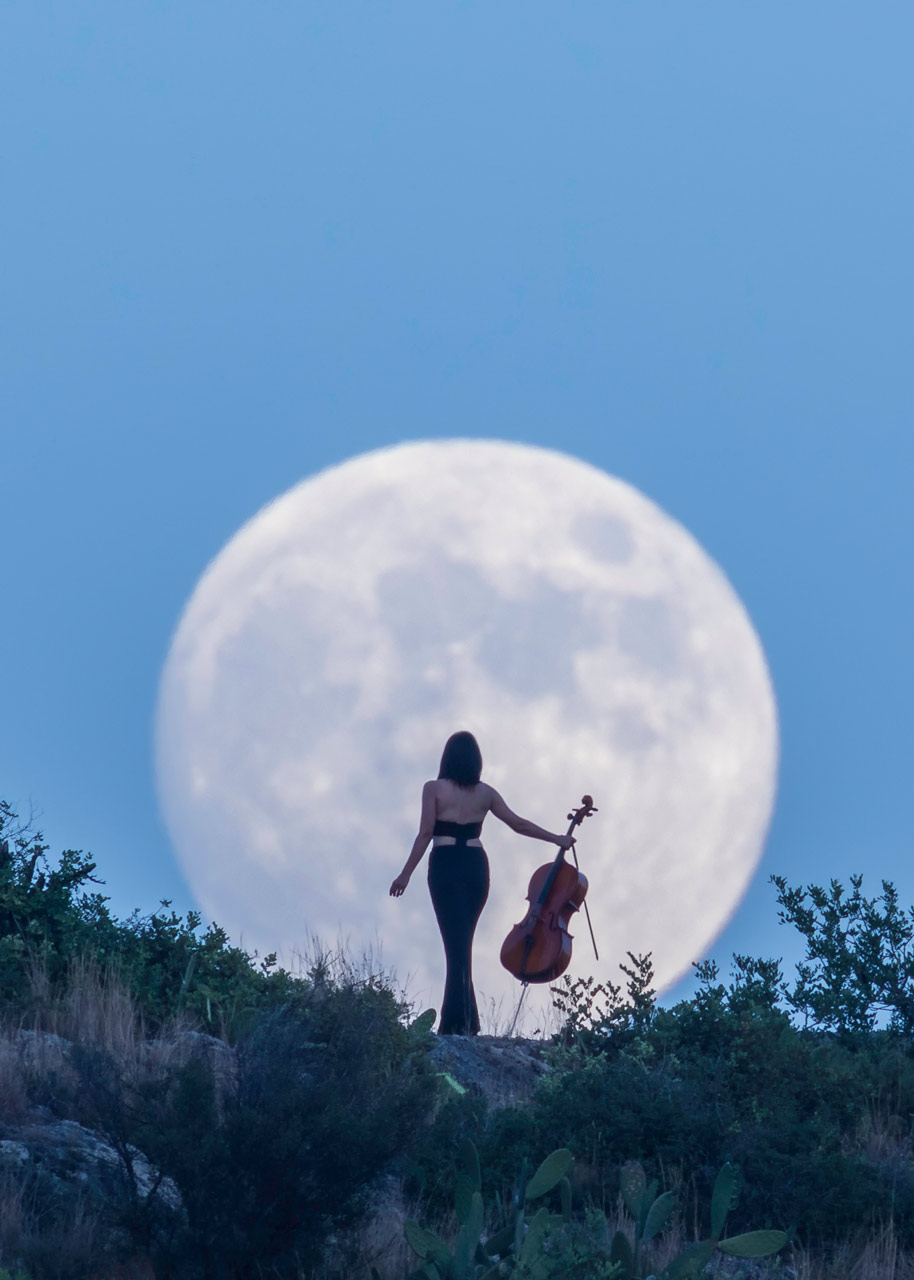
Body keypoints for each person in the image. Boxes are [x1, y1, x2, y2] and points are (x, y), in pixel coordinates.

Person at [389, 730, 575, 1036]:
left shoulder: (433, 788)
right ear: (476, 761)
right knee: (461, 945)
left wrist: (405, 874)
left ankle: (456, 1025)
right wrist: (557, 838)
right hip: (476, 867)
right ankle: (466, 1022)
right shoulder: (485, 793)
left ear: (447, 758)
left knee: (456, 945)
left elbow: (425, 833)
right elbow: (518, 824)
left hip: (445, 866)